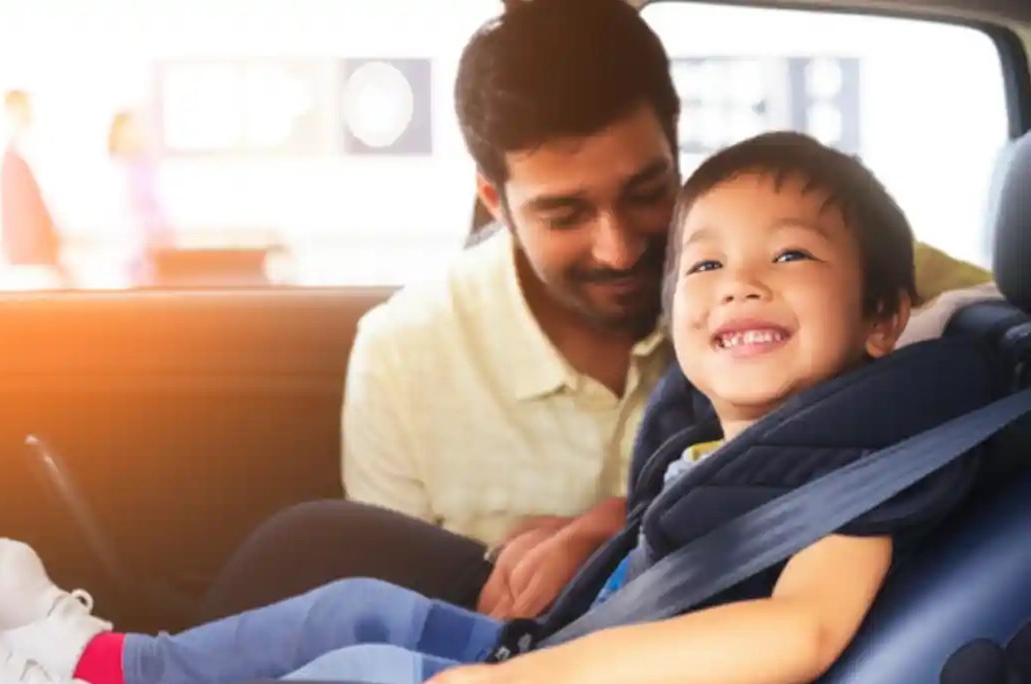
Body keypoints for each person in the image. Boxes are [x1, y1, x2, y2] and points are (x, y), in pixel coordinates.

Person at [0, 131, 986, 684]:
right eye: (703, 264)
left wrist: (592, 672)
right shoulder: (714, 441)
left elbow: (801, 629)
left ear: (886, 317)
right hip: (563, 652)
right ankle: (109, 670)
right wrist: (571, 646)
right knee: (342, 610)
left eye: (788, 257)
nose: (737, 286)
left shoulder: (857, 462)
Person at [199, 0, 997, 623]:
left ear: (676, 145)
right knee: (305, 552)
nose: (618, 249)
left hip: (685, 648)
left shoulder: (807, 273)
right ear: (495, 201)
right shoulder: (405, 353)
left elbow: (993, 311)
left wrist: (626, 518)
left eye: (648, 193)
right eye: (564, 214)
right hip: (525, 649)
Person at [0, 89, 68, 289]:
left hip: (35, 259)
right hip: (30, 261)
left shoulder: (21, 156)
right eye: (23, 109)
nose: (28, 115)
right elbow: (23, 215)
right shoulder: (13, 161)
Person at [105, 110, 176, 287]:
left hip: (149, 245)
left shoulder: (144, 166)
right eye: (130, 129)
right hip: (126, 247)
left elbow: (154, 204)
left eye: (137, 128)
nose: (135, 133)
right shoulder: (114, 168)